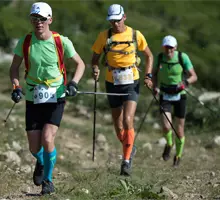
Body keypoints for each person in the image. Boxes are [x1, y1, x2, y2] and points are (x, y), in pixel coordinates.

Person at [9, 2, 85, 195]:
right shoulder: (25, 42)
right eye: (35, 19)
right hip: (34, 97)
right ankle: (41, 161)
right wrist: (16, 86)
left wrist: (74, 83)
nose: (38, 23)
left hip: (56, 96)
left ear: (50, 20)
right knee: (34, 147)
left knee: (47, 137)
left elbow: (80, 64)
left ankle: (48, 182)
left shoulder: (61, 41)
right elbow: (14, 67)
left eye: (42, 19)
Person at [91, 4, 153, 176]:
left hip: (131, 81)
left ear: (124, 17)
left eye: (117, 20)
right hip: (112, 82)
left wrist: (148, 76)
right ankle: (129, 146)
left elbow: (149, 55)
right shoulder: (104, 36)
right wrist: (95, 68)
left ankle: (126, 161)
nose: (115, 24)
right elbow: (94, 58)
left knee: (127, 119)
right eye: (112, 21)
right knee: (118, 126)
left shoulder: (135, 35)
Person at [152, 35, 197, 167]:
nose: (169, 50)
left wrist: (185, 83)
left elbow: (194, 76)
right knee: (166, 126)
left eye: (171, 48)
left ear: (175, 47)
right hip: (165, 94)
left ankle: (177, 156)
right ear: (163, 47)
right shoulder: (160, 58)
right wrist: (155, 86)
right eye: (166, 47)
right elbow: (154, 74)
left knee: (179, 129)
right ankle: (169, 143)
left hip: (180, 95)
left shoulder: (183, 57)